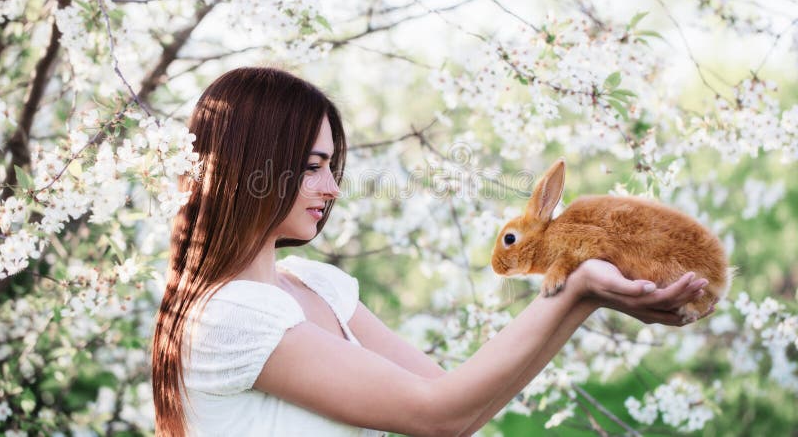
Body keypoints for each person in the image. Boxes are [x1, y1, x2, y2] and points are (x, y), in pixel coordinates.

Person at [151, 67, 713, 436]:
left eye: (332, 167)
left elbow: (456, 401)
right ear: (252, 167)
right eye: (312, 167)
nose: (332, 187)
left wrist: (582, 291)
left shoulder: (315, 286)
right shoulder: (228, 316)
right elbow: (438, 416)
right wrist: (578, 290)